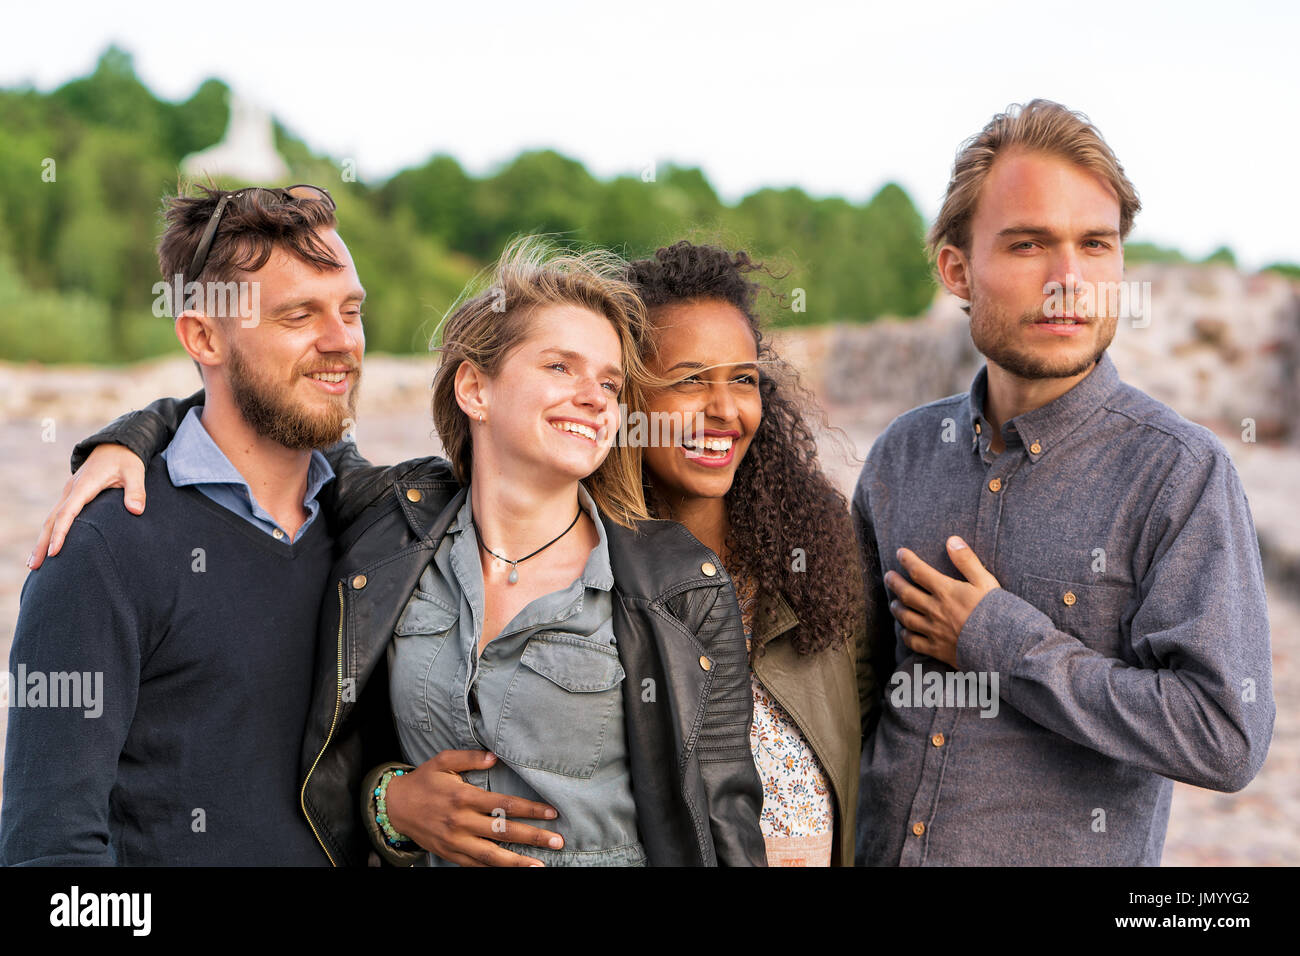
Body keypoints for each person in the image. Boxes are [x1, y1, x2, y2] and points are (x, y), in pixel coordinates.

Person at [36, 238, 766, 867]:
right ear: (475, 388)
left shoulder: (677, 586)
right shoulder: (392, 525)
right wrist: (133, 435)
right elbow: (259, 424)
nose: (595, 396)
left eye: (609, 382)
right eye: (561, 368)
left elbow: (724, 823)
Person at [854, 99, 1275, 865]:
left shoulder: (1179, 475)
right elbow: (852, 692)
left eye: (1095, 245)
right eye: (1027, 245)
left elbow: (1224, 734)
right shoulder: (902, 455)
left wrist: (996, 639)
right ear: (957, 269)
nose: (1067, 280)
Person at [2, 184, 358, 864]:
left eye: (350, 310)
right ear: (202, 335)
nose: (342, 341)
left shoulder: (370, 529)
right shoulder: (102, 547)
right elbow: (50, 850)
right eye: (299, 315)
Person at [626, 241, 873, 866]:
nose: (725, 411)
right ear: (626, 398)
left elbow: (867, 723)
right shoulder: (588, 562)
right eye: (689, 381)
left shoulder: (816, 551)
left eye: (743, 380)